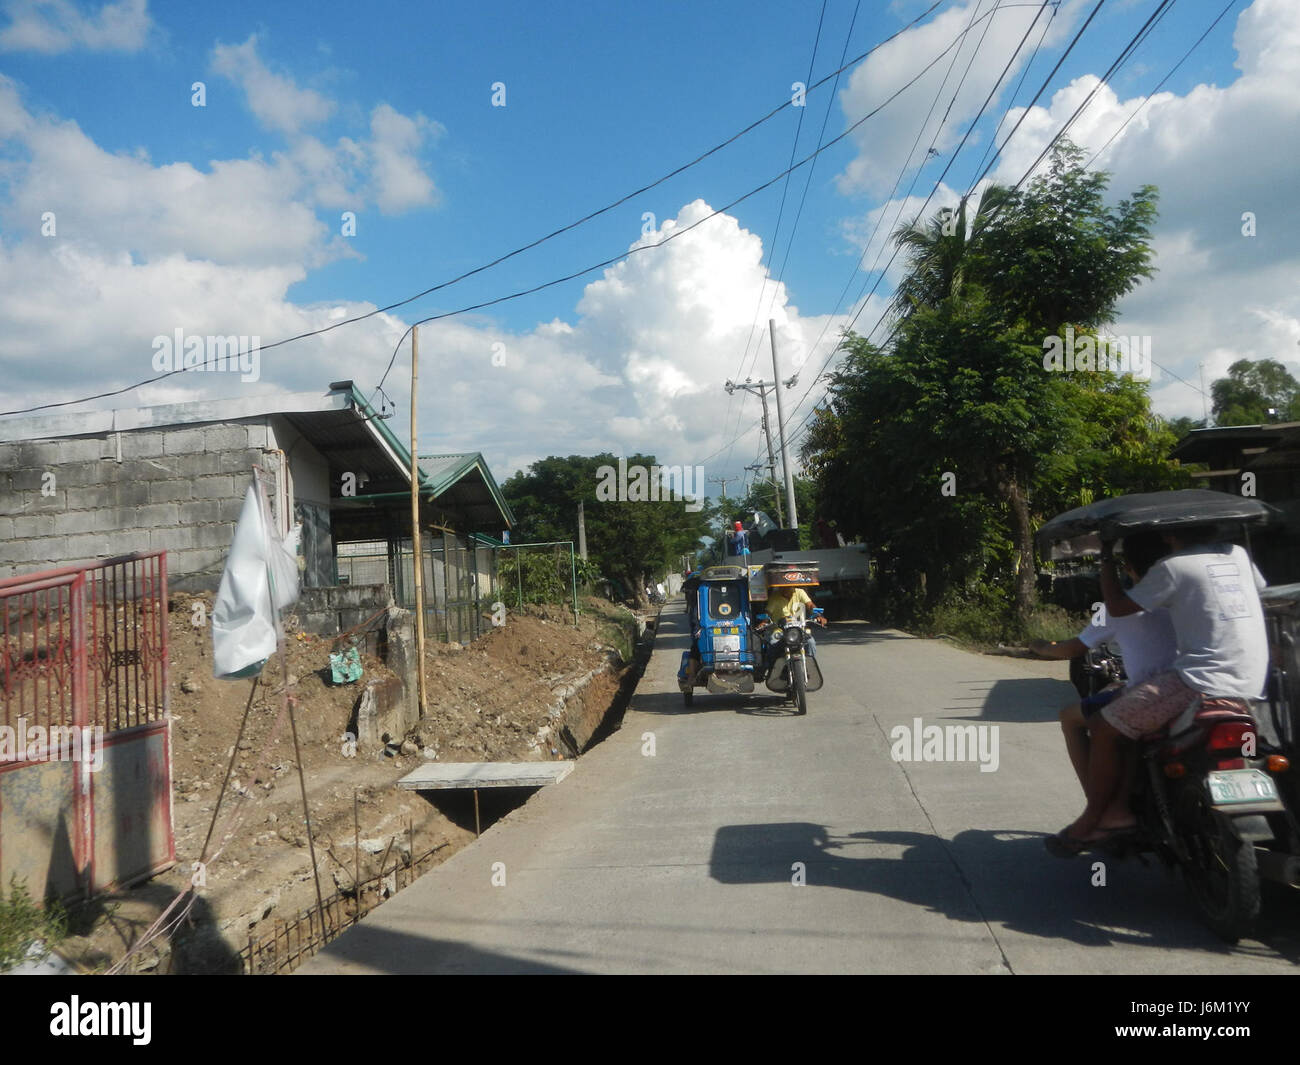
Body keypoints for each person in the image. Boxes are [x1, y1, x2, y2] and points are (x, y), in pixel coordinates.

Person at [1050, 525, 1269, 854]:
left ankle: (1097, 820)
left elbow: (1119, 607)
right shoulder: (1237, 553)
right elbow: (1261, 591)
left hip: (1200, 680)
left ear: (1170, 536)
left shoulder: (1173, 568)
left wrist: (1106, 559)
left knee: (1104, 727)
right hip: (1255, 678)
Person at [1029, 532, 1176, 853]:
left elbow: (1072, 649)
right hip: (1193, 688)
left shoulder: (1119, 607)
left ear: (1130, 568)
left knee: (1070, 716)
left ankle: (1098, 806)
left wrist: (1040, 646)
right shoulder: (1186, 597)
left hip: (1153, 693)